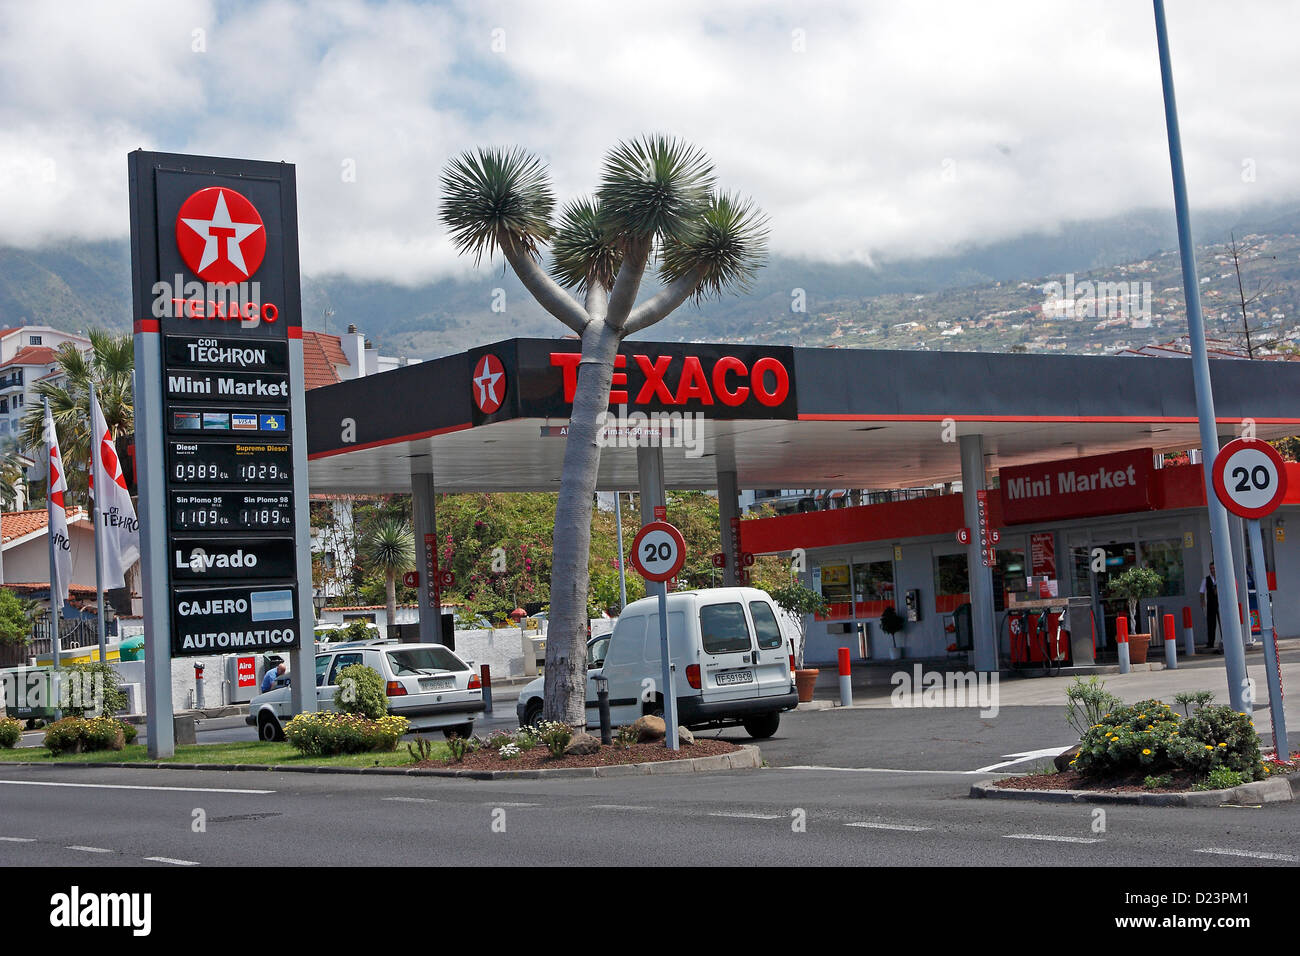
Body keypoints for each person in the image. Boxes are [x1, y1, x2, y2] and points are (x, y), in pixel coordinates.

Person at [1199, 562, 1222, 654]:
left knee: (1222, 623)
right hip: (1211, 603)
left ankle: (1224, 640)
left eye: (1214, 568)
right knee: (1211, 623)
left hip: (1220, 603)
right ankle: (1210, 642)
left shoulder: (1220, 578)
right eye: (1211, 568)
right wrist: (1203, 602)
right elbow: (1201, 591)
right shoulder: (1206, 579)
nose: (1212, 570)